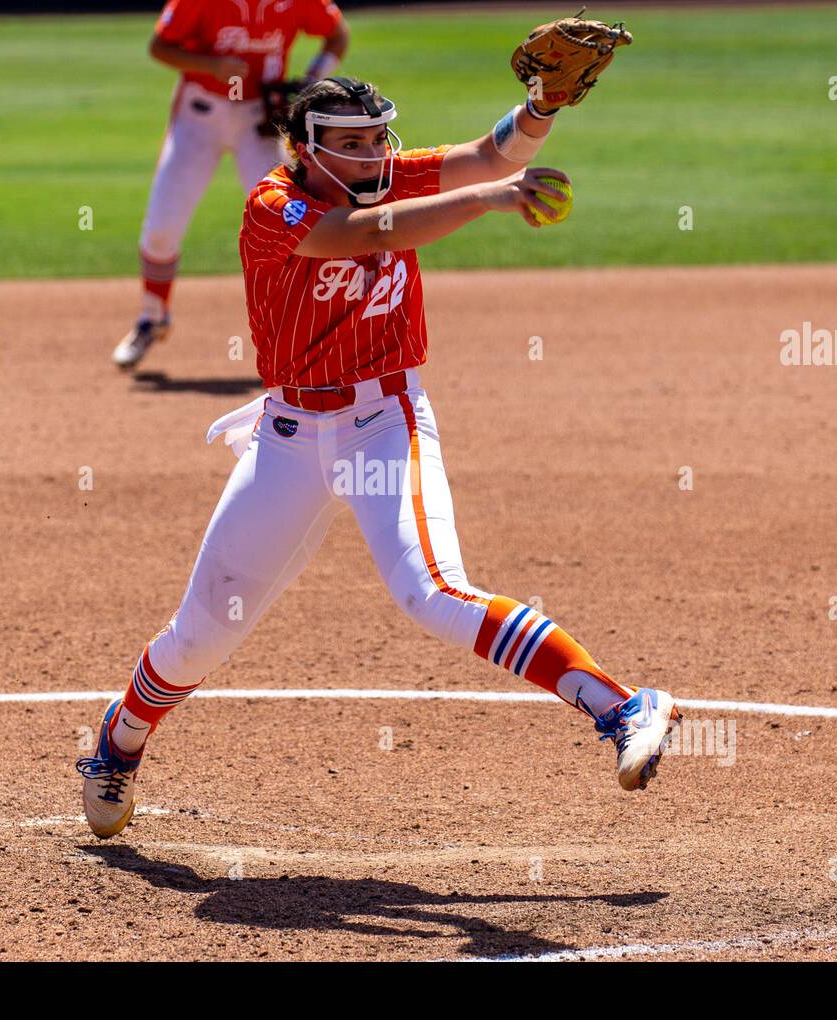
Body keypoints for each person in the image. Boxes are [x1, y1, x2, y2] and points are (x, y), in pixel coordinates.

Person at [78, 73, 681, 840]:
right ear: (304, 149)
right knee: (203, 632)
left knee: (429, 591)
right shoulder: (273, 206)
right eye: (350, 146)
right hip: (290, 437)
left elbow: (489, 153)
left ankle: (625, 707)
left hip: (382, 423)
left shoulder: (384, 175)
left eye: (375, 141)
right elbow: (373, 234)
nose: (371, 158)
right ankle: (116, 749)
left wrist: (540, 107)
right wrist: (490, 200)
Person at [112, 0, 350, 368]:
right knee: (162, 226)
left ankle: (312, 330)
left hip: (260, 119)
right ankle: (152, 316)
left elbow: (337, 34)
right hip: (199, 115)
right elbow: (159, 47)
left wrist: (313, 77)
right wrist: (210, 65)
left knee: (296, 223)